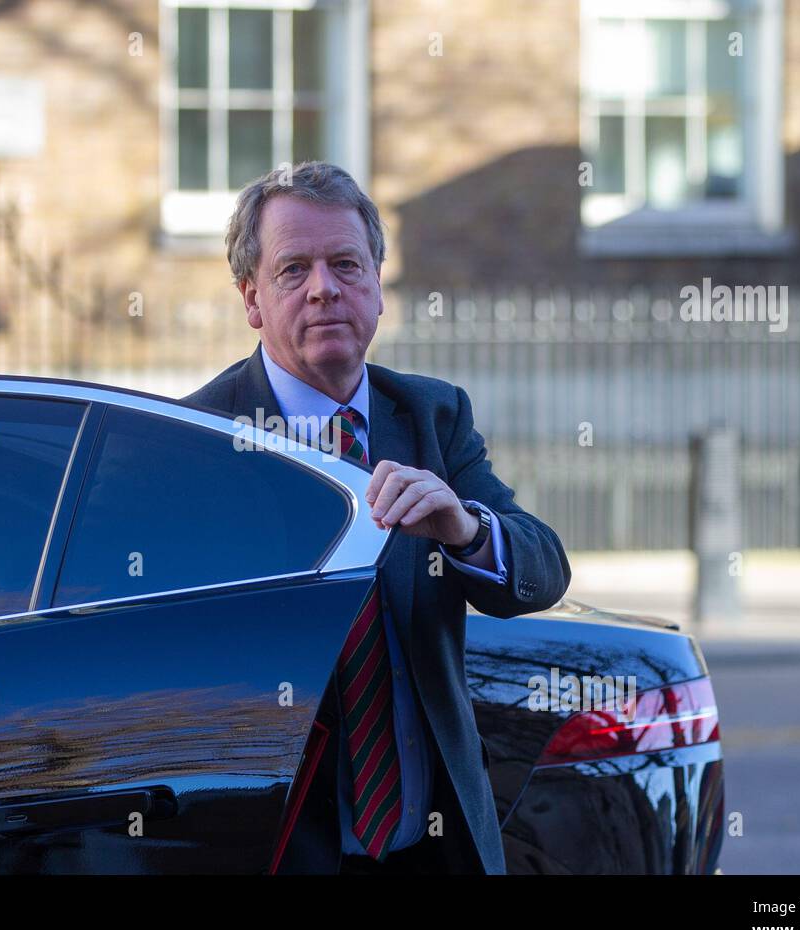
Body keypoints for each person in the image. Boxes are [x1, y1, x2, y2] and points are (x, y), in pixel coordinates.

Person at [184, 161, 571, 874]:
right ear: (252, 299)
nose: (325, 287)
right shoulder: (197, 438)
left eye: (346, 264)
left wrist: (465, 529)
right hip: (276, 844)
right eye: (293, 269)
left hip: (431, 846)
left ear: (378, 287)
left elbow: (543, 569)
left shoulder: (431, 415)